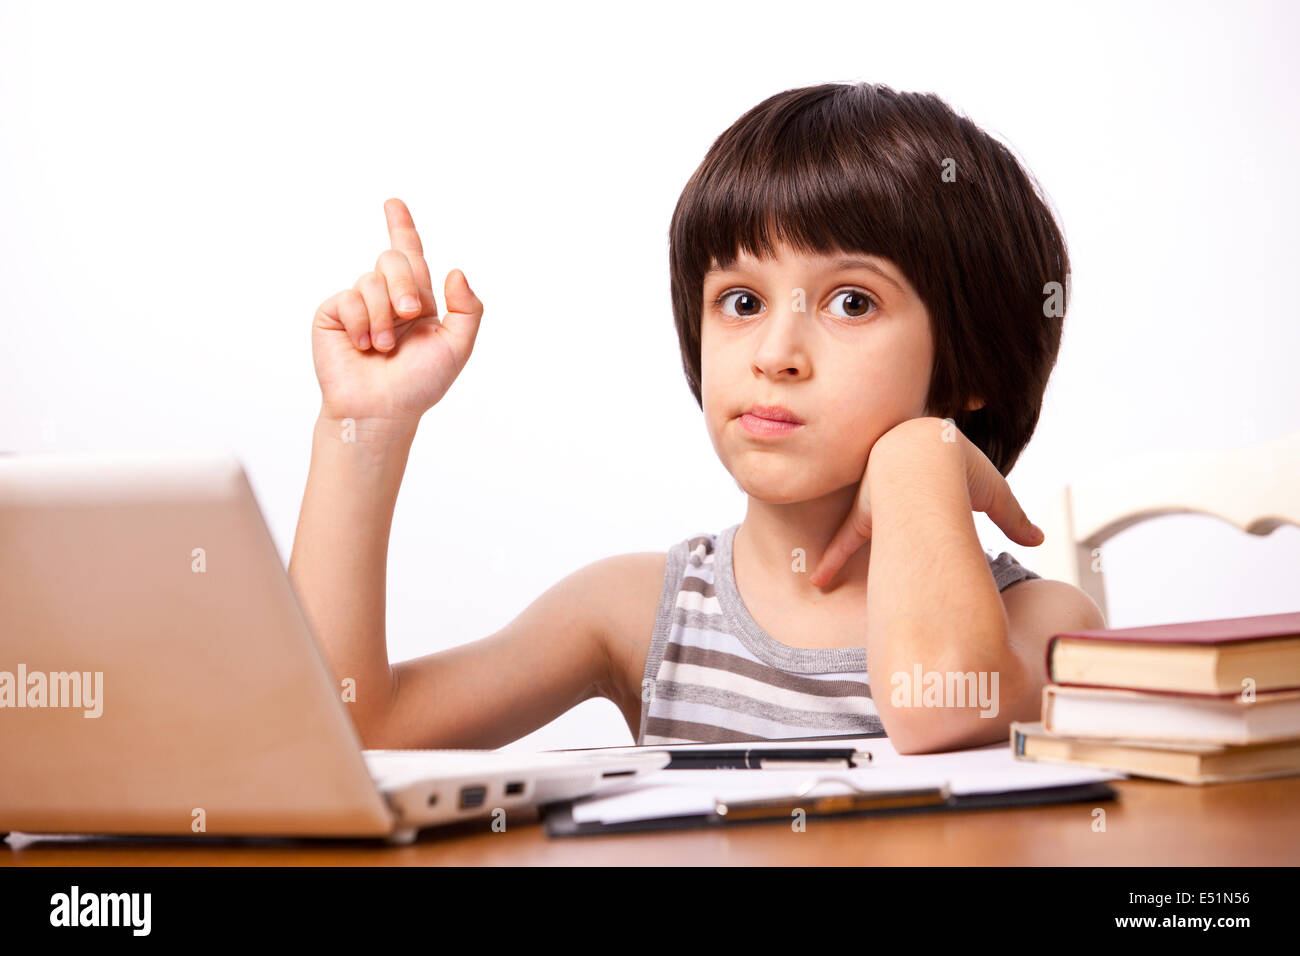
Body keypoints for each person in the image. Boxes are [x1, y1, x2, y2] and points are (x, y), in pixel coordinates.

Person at [288, 82, 1105, 756]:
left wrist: (919, 457)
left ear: (970, 361)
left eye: (851, 302)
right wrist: (363, 425)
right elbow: (350, 734)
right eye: (740, 301)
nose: (776, 353)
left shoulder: (1046, 626)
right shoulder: (641, 612)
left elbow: (939, 709)